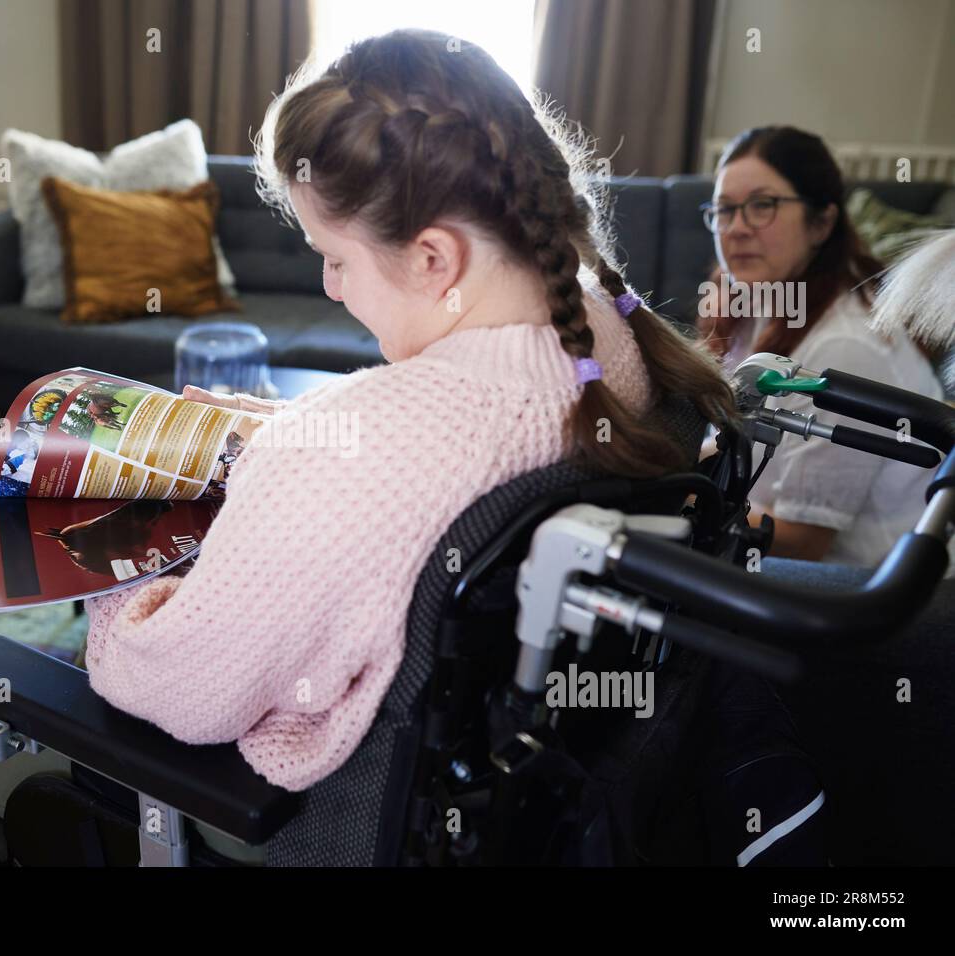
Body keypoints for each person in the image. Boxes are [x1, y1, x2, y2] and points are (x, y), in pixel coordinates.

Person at [83, 29, 734, 793]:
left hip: (314, 815)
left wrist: (106, 587)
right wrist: (284, 436)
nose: (331, 287)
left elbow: (184, 690)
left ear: (433, 258)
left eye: (336, 258)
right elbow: (432, 429)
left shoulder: (352, 464)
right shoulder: (608, 336)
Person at [697, 126, 947, 566]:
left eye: (761, 206)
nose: (735, 229)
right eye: (724, 210)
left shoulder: (847, 347)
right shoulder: (752, 303)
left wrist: (674, 487)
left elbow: (804, 540)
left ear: (822, 222)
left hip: (860, 586)